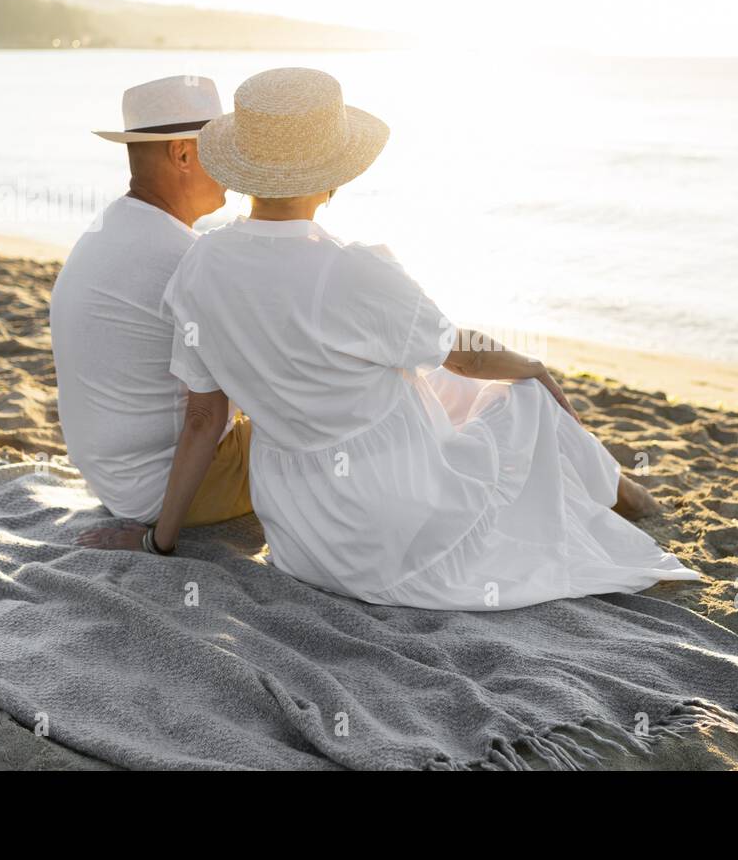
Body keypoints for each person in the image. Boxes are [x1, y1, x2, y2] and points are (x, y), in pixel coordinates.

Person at [92, 67, 699, 611]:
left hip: (305, 542)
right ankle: (629, 497)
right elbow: (461, 352)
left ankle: (622, 490)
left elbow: (203, 419)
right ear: (331, 178)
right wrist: (535, 366)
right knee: (524, 396)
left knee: (426, 378)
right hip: (396, 523)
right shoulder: (353, 269)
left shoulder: (200, 268)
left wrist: (158, 539)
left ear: (243, 172)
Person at [53, 75, 252, 530]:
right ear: (182, 154)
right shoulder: (185, 258)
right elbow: (222, 406)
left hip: (118, 483)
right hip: (177, 488)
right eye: (220, 152)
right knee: (332, 416)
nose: (233, 169)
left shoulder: (111, 227)